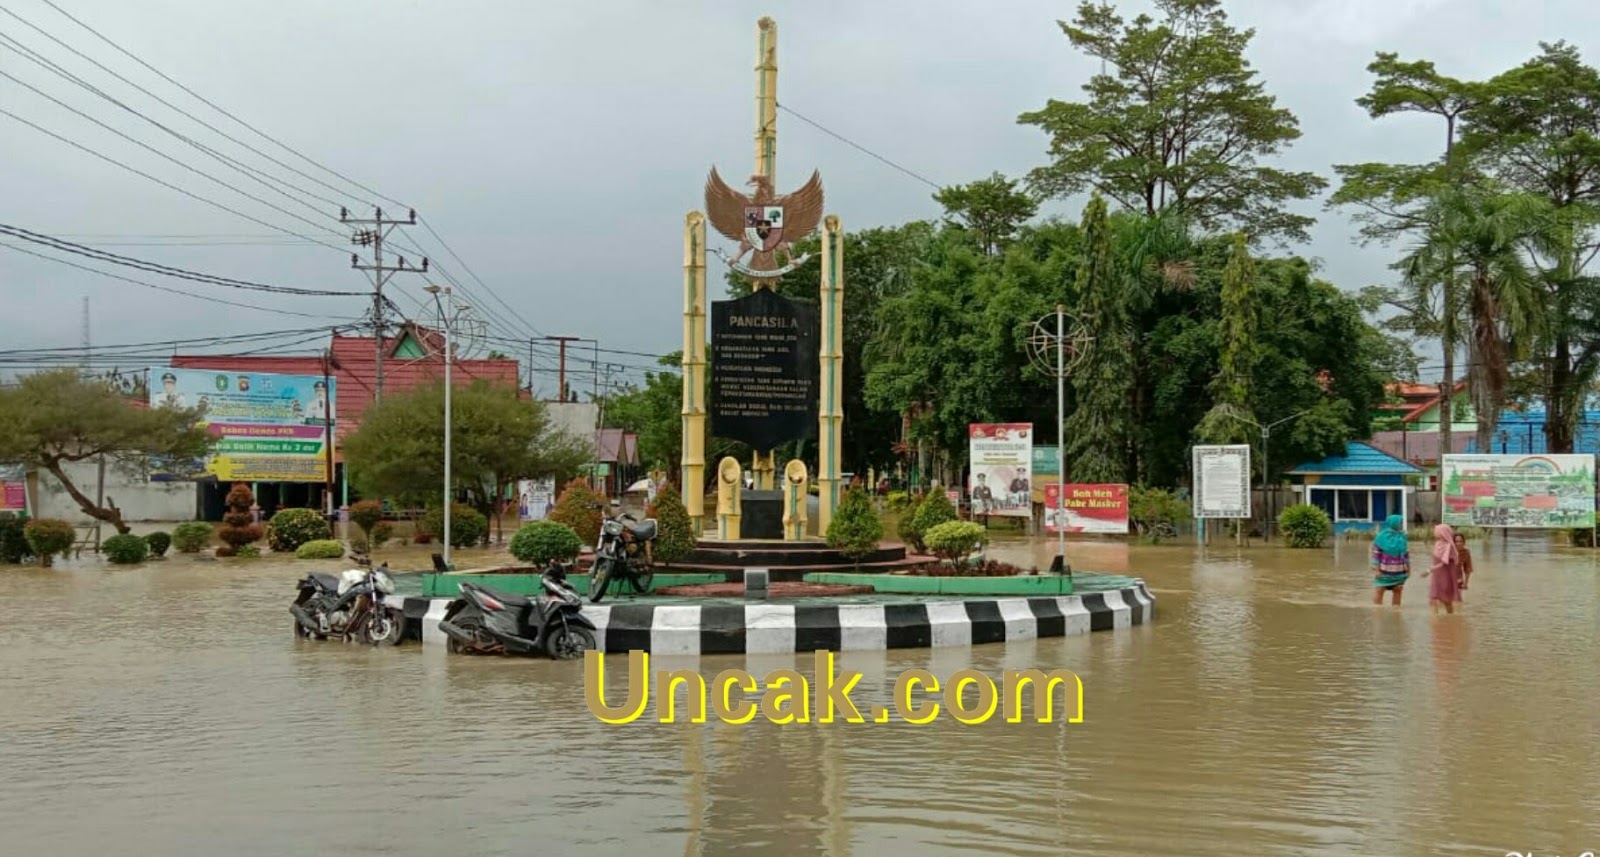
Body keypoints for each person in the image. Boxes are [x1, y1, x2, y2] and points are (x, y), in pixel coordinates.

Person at [1370, 514, 1410, 606]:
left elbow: (1406, 554)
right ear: (1393, 523)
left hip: (1399, 571)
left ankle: (1396, 614)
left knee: (1398, 590)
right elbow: (1376, 555)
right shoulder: (1381, 537)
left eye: (1401, 523)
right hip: (1383, 571)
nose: (1401, 525)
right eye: (1399, 523)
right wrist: (1376, 570)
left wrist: (1409, 569)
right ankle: (1377, 614)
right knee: (1379, 590)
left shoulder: (1402, 537)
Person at [1428, 524, 1463, 615]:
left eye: (1437, 531)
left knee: (1446, 599)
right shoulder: (1437, 544)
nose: (1435, 533)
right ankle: (1435, 620)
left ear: (1442, 533)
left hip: (1446, 575)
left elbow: (1445, 562)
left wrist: (1430, 570)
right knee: (1434, 598)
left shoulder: (1449, 546)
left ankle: (1450, 617)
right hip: (1436, 575)